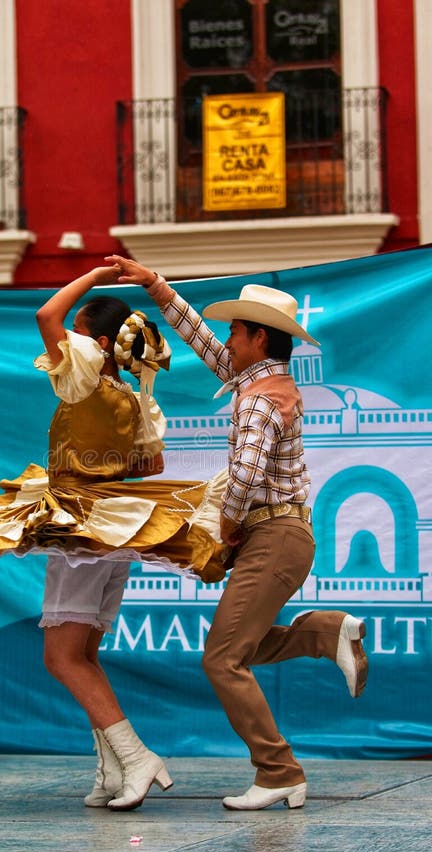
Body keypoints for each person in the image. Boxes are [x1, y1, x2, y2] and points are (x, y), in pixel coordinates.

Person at [0, 263, 227, 811]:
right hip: (117, 525)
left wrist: (95, 276)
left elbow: (43, 312)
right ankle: (111, 769)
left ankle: (139, 756)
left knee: (61, 657)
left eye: (77, 332)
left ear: (98, 342)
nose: (64, 338)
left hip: (80, 526)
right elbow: (151, 463)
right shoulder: (136, 398)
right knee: (84, 654)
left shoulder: (84, 374)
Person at [106, 253, 369, 812]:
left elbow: (245, 477)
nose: (226, 336)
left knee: (223, 659)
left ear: (258, 337)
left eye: (235, 329)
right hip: (279, 538)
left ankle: (278, 772)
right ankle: (325, 635)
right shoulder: (260, 379)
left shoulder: (259, 400)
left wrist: (223, 536)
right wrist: (155, 285)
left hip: (271, 537)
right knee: (235, 650)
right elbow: (200, 339)